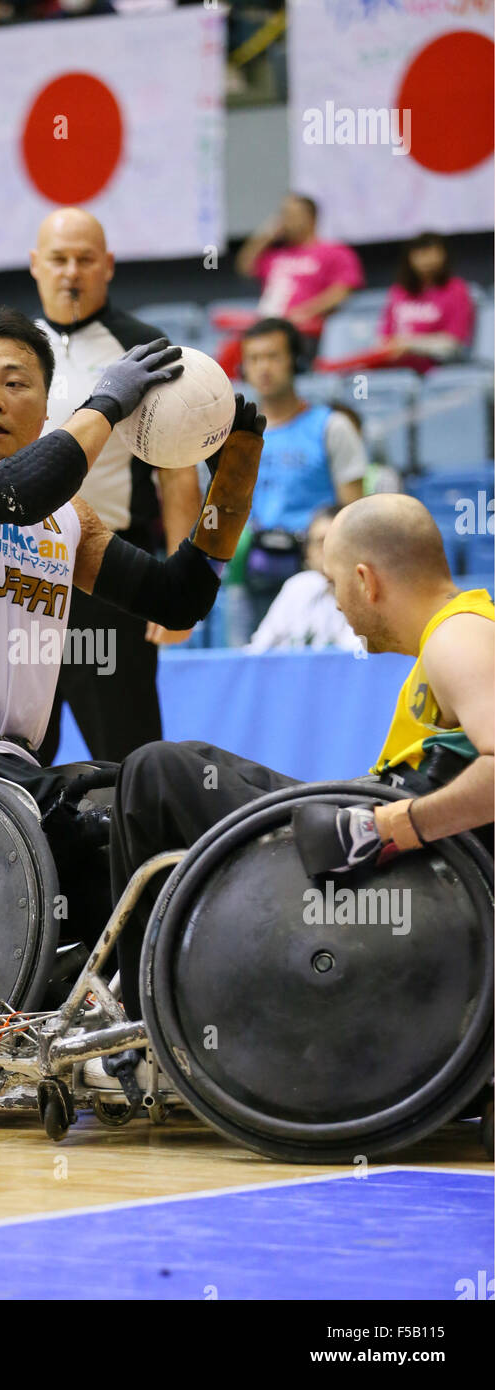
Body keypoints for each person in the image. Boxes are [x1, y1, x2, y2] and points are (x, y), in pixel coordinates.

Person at [0, 306, 264, 936]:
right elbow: (18, 492)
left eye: (15, 383)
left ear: (47, 409)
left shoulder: (67, 520)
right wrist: (107, 403)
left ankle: (299, 821)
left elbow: (179, 598)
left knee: (162, 784)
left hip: (11, 772)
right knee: (134, 796)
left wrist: (234, 477)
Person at [103, 494, 493, 1057]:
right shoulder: (457, 632)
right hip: (373, 839)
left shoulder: (459, 636)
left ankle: (149, 1039)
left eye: (334, 585)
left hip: (386, 868)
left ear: (366, 580)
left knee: (156, 773)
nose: (335, 604)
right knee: (188, 766)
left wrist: (393, 825)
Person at [29, 207, 203, 763]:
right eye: (58, 259)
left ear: (109, 266)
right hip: (16, 578)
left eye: (85, 259)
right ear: (36, 265)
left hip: (111, 575)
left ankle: (150, 853)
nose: (70, 272)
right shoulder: (5, 344)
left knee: (131, 756)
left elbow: (176, 472)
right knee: (12, 756)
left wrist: (175, 586)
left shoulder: (145, 347)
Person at [227, 317, 366, 643]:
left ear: (296, 360)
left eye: (273, 356)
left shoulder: (332, 427)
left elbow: (355, 513)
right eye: (254, 358)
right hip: (254, 570)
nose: (263, 367)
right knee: (251, 664)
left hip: (318, 571)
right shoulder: (235, 435)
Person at [235, 192, 364, 353]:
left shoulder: (336, 252)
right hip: (267, 329)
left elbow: (342, 291)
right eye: (283, 214)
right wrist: (267, 234)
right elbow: (245, 265)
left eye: (292, 214)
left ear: (311, 218)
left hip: (305, 332)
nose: (286, 220)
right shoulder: (276, 255)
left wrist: (304, 313)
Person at [247, 505, 360, 652]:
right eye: (320, 542)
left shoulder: (369, 592)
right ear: (307, 553)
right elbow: (259, 649)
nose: (327, 550)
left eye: (333, 541)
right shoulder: (298, 587)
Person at [376, 232, 475, 375]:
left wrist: (410, 345)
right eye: (421, 254)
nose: (427, 260)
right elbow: (384, 339)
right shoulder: (398, 291)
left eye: (432, 253)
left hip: (438, 372)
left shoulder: (457, 289)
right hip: (397, 372)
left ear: (444, 256)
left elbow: (454, 342)